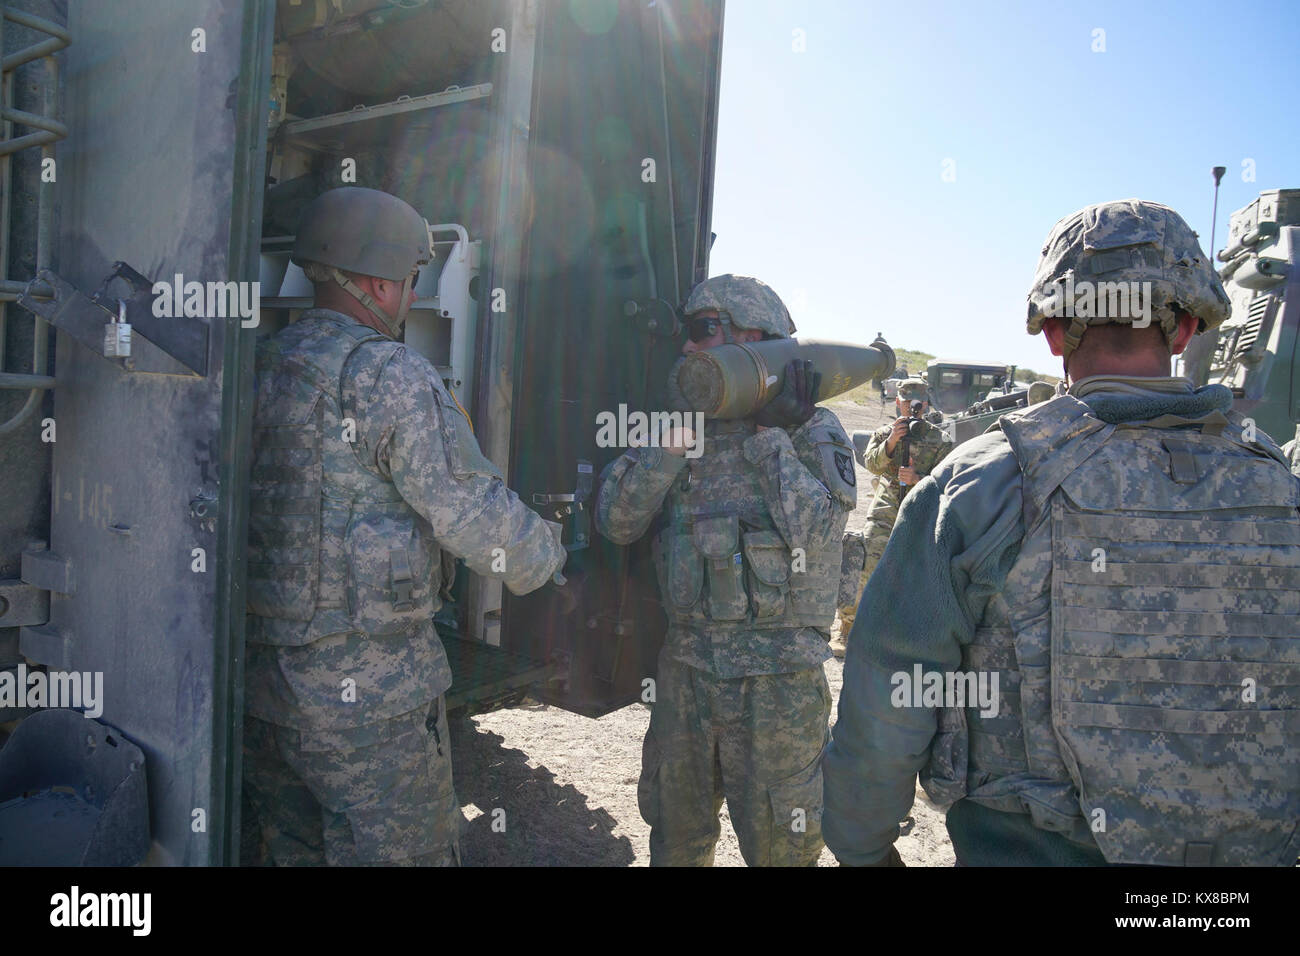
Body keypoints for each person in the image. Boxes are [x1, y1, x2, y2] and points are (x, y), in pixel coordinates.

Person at [823, 198, 1300, 867]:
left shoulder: (986, 481)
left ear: (1051, 331)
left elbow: (887, 699)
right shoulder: (1280, 486)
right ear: (1188, 326)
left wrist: (864, 846)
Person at [243, 187, 566, 866]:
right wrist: (549, 556)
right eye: (410, 280)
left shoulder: (259, 365)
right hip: (372, 707)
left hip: (266, 688)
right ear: (381, 283)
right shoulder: (386, 373)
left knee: (287, 849)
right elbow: (473, 517)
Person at [594, 274, 856, 866]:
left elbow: (817, 535)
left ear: (753, 341)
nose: (687, 348)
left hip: (778, 684)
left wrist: (772, 437)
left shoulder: (813, 429)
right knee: (677, 842)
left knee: (781, 852)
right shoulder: (679, 425)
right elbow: (616, 520)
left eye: (702, 331)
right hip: (687, 672)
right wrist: (671, 444)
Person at [833, 379, 951, 657]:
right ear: (898, 403)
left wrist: (919, 479)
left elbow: (948, 478)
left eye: (917, 404)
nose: (912, 409)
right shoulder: (885, 432)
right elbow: (871, 464)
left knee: (924, 569)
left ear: (925, 405)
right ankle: (847, 627)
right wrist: (892, 441)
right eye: (907, 403)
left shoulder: (939, 439)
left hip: (922, 503)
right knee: (867, 560)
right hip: (886, 503)